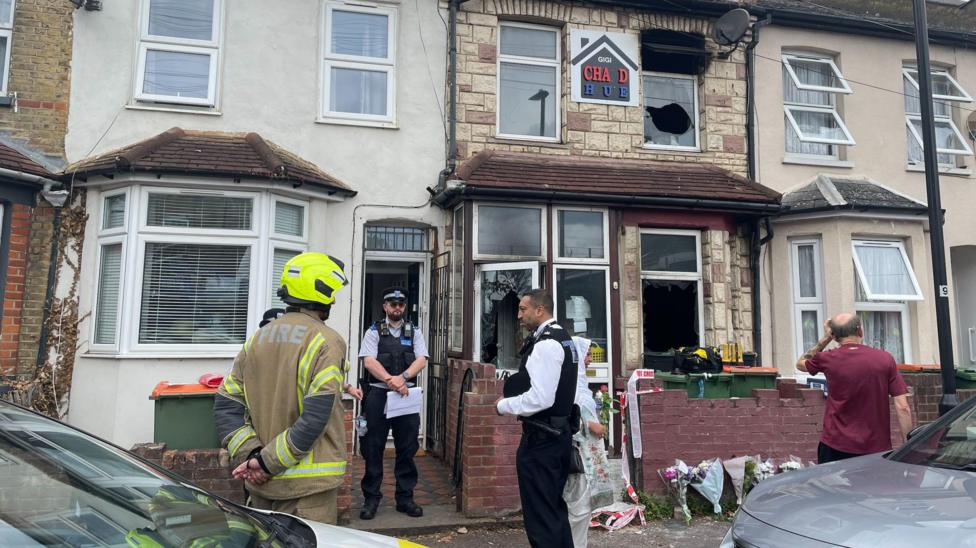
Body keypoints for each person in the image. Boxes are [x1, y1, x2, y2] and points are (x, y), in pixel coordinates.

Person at [214, 252, 350, 524]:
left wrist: (251, 455)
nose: (334, 299)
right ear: (318, 290)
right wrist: (265, 463)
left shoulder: (257, 338)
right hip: (307, 494)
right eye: (332, 292)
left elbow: (227, 405)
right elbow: (315, 418)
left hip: (260, 488)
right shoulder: (327, 341)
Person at [495, 288, 578, 548]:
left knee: (541, 517)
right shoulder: (564, 338)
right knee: (553, 510)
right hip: (556, 436)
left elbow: (542, 398)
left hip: (543, 440)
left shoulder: (547, 345)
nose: (519, 315)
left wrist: (504, 405)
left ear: (540, 310)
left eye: (523, 309)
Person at [796, 312, 914, 464]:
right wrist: (909, 447)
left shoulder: (826, 359)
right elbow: (903, 407)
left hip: (834, 446)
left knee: (832, 488)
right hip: (875, 448)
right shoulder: (885, 359)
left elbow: (800, 363)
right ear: (860, 331)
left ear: (835, 336)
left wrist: (826, 338)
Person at [358, 286, 429, 520]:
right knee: (373, 448)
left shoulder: (414, 331)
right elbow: (368, 362)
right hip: (378, 396)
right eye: (392, 303)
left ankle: (405, 498)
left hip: (406, 396)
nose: (397, 307)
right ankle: (371, 498)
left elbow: (421, 359)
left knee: (407, 448)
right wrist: (391, 380)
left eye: (400, 304)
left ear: (404, 307)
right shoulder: (373, 331)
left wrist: (403, 379)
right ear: (385, 306)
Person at [563, 337, 615, 548]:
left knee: (576, 505)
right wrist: (600, 427)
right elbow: (587, 425)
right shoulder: (575, 387)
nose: (591, 360)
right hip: (581, 457)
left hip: (579, 455)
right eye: (587, 355)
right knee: (579, 506)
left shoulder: (576, 383)